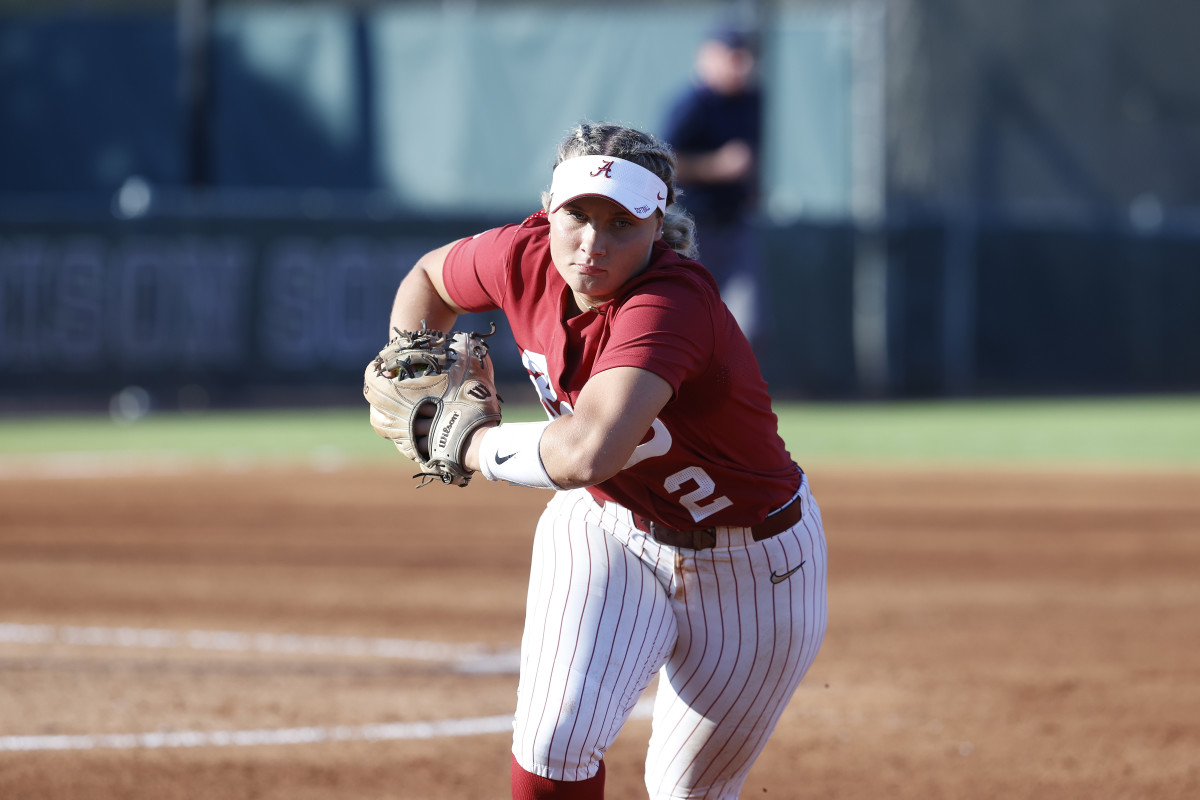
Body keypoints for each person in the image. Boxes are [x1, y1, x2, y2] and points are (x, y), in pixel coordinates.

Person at [378, 122, 827, 800]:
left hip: (753, 566)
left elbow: (590, 451)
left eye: (622, 222)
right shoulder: (518, 256)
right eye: (578, 216)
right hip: (606, 528)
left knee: (686, 793)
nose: (594, 241)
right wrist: (415, 362)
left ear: (658, 226)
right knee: (553, 741)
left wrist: (465, 443)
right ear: (547, 208)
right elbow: (427, 279)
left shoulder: (670, 305)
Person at [661, 24, 766, 351]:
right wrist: (717, 166)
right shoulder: (690, 104)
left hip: (736, 223)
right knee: (692, 315)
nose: (743, 65)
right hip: (692, 227)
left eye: (745, 57)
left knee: (748, 322)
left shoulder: (751, 99)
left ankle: (734, 394)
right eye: (734, 57)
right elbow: (665, 163)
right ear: (708, 58)